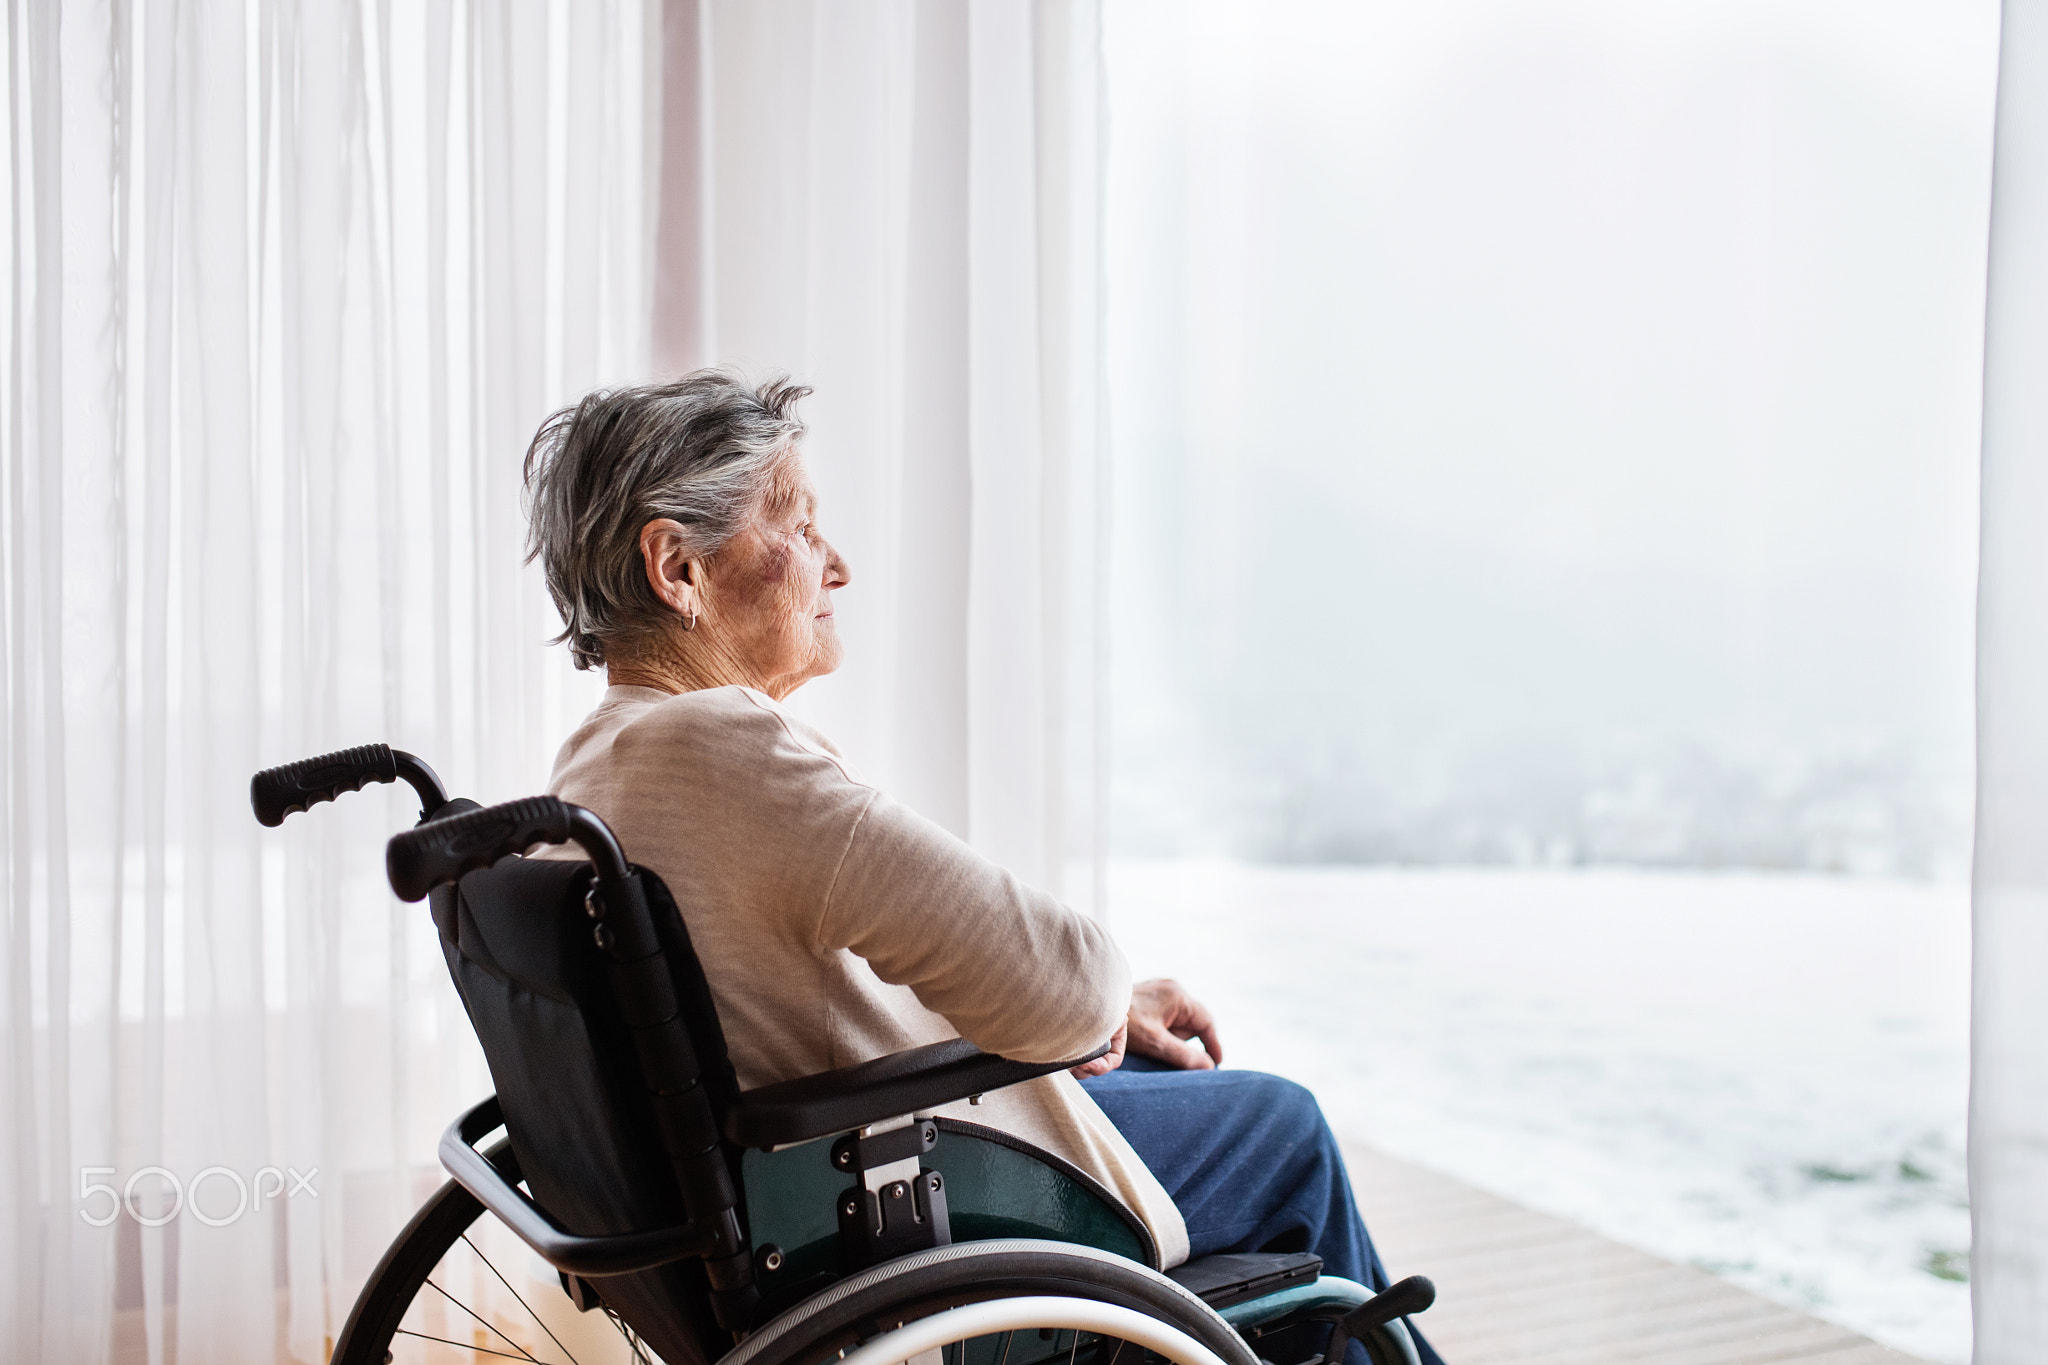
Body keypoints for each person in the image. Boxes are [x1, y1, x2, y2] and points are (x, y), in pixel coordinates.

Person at [524, 370, 1442, 1365]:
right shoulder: (727, 752)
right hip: (886, 1200)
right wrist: (1093, 1005)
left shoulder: (592, 767)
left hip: (791, 1182)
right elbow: (1061, 981)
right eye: (793, 524)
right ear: (678, 569)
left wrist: (1100, 1013)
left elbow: (838, 1002)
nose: (835, 565)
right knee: (1280, 1128)